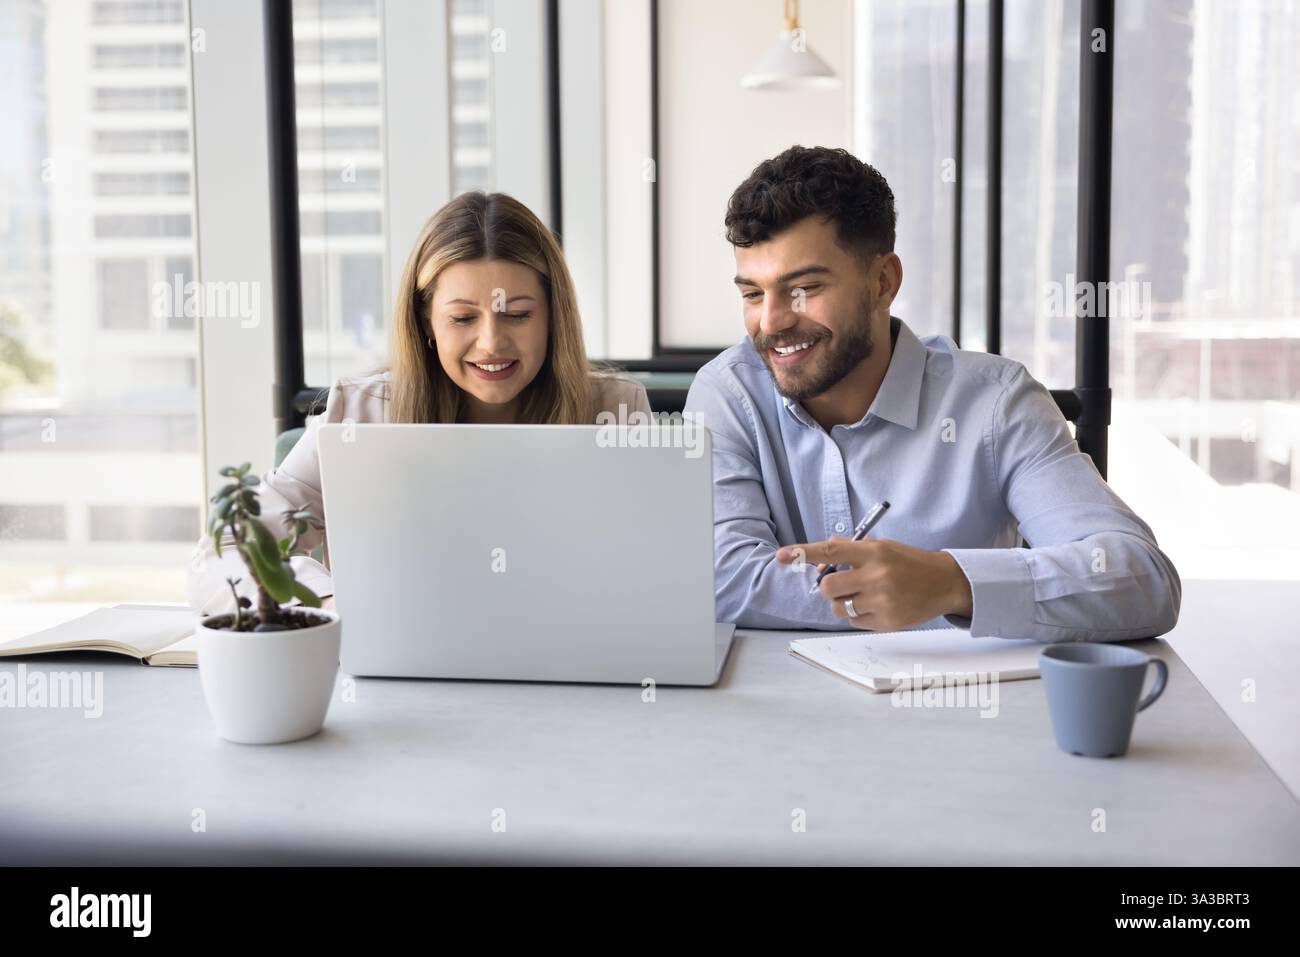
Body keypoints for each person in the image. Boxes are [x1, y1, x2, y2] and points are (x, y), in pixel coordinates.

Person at [684, 145, 1181, 642]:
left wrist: (951, 582)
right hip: (778, 715)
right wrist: (896, 593)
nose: (771, 321)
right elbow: (718, 579)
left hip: (968, 713)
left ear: (883, 282)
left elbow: (1142, 580)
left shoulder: (994, 403)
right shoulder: (728, 393)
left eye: (804, 289)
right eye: (752, 294)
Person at [187, 191, 651, 617]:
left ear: (554, 317)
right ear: (426, 321)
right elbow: (228, 547)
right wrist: (327, 601)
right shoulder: (362, 411)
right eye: (463, 317)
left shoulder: (616, 409)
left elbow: (657, 563)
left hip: (576, 673)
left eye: (518, 314)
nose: (491, 342)